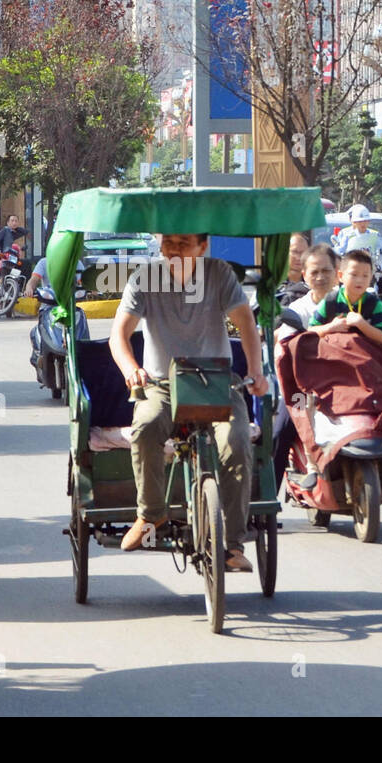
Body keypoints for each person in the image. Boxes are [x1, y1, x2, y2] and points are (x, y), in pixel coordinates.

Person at [111, 233, 269, 573]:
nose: (174, 250)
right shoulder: (145, 277)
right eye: (168, 242)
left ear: (203, 246)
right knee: (145, 427)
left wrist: (255, 371)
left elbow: (246, 325)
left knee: (237, 441)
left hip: (216, 381)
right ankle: (151, 515)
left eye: (183, 243)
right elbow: (118, 336)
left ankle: (233, 544)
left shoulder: (219, 274)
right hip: (162, 383)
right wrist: (131, 369)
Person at [306, 248, 382, 511]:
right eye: (354, 274)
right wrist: (331, 328)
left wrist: (361, 324)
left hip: (369, 375)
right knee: (309, 410)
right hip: (334, 376)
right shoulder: (329, 301)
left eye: (365, 275)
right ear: (341, 276)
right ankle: (311, 466)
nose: (360, 280)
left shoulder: (373, 304)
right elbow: (310, 332)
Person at [272, 243, 339, 487]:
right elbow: (284, 341)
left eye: (326, 270)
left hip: (348, 386)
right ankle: (268, 504)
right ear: (304, 276)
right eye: (314, 272)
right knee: (278, 435)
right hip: (302, 389)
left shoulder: (354, 301)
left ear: (337, 271)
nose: (321, 277)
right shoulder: (298, 309)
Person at [275, 232, 310, 307]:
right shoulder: (274, 283)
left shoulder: (313, 283)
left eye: (303, 252)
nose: (298, 257)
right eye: (294, 252)